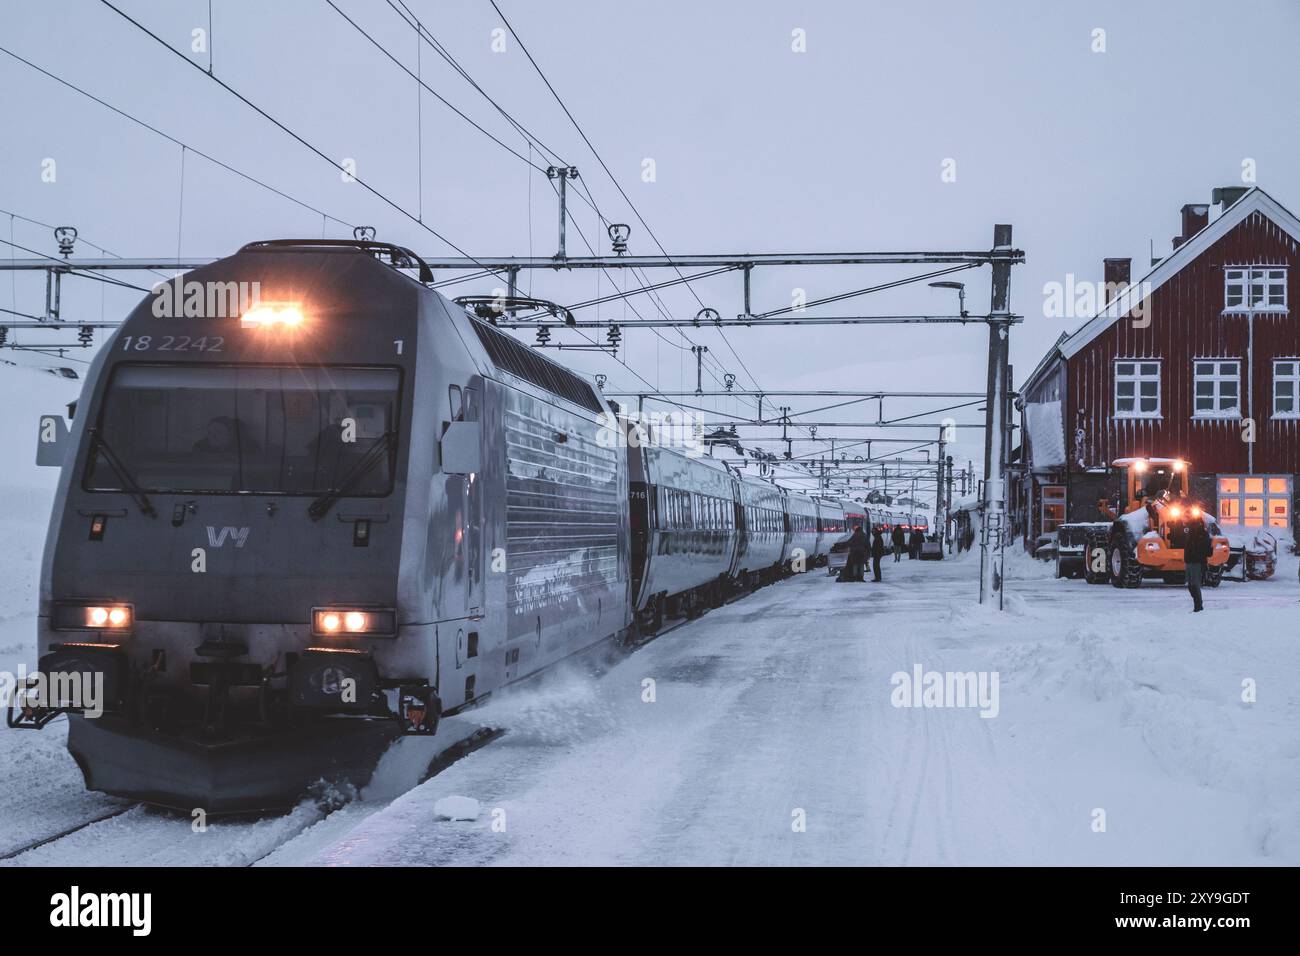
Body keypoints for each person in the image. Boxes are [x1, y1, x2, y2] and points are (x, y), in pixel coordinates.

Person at [1183, 516, 1212, 612]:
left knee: (1194, 584)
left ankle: (1198, 606)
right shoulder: (1189, 533)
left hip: (1197, 562)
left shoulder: (1203, 534)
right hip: (1190, 561)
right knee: (1191, 585)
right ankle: (1197, 605)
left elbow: (1207, 549)